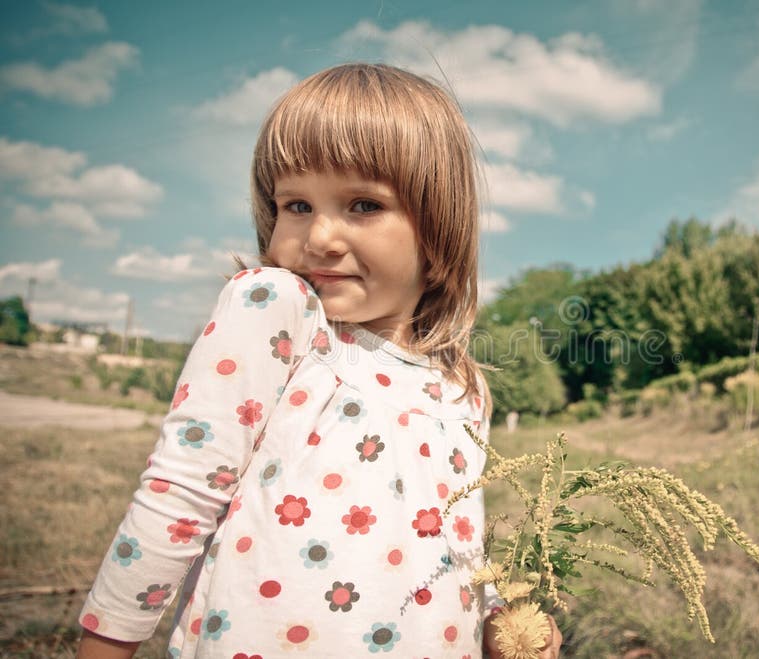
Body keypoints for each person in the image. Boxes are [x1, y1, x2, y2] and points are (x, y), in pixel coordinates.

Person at [76, 63, 561, 658]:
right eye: (297, 205)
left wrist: (497, 616)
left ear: (439, 233)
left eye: (362, 205)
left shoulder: (463, 388)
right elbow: (178, 495)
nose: (322, 237)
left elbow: (460, 547)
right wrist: (107, 643)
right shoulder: (276, 311)